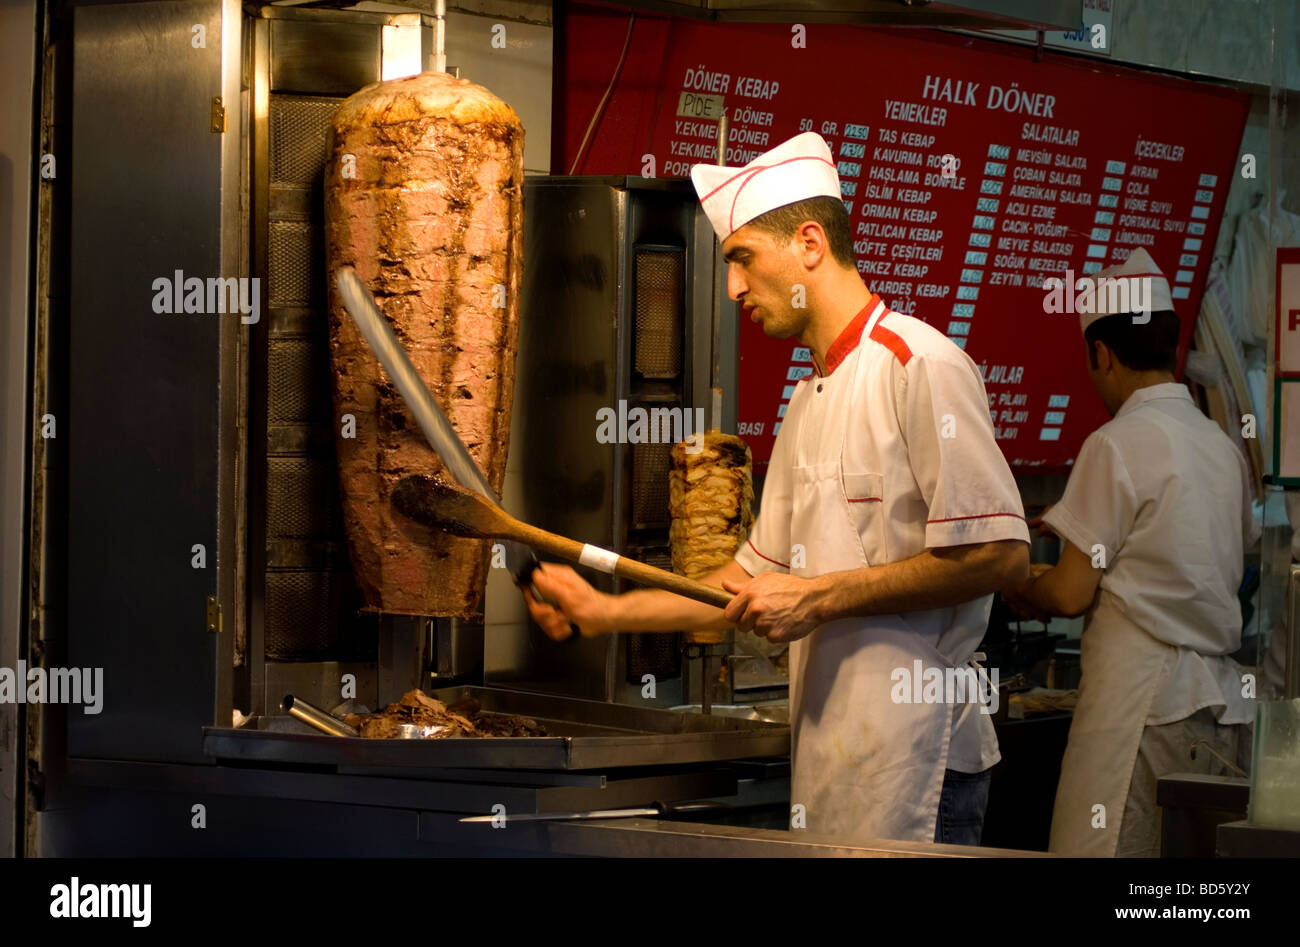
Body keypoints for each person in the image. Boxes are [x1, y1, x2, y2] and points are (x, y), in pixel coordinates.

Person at [523, 132, 1028, 845]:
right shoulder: (807, 399)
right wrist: (605, 611)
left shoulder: (921, 365)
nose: (733, 288)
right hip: (832, 758)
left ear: (811, 245)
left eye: (742, 258)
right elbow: (745, 578)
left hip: (922, 757)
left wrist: (818, 595)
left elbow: (1001, 556)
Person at [1004, 248, 1259, 857]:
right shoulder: (1221, 448)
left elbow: (1068, 594)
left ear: (1102, 353)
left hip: (1137, 714)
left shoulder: (1115, 444)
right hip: (1216, 716)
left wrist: (1016, 577)